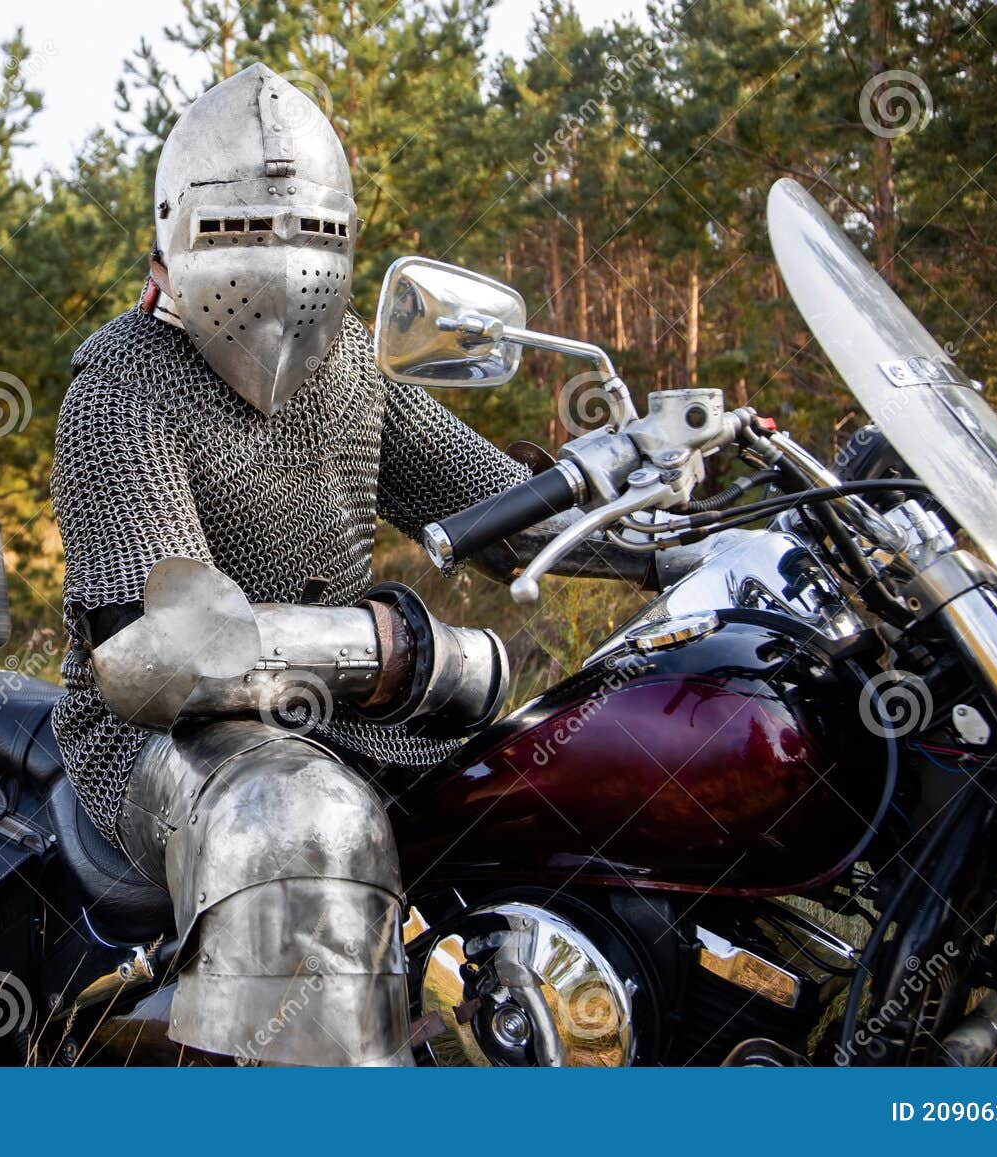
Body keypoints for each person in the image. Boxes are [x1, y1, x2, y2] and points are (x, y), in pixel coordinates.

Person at [50, 63, 659, 1066]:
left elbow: (505, 514)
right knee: (298, 816)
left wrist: (674, 533)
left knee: (569, 771)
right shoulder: (121, 386)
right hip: (159, 740)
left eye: (315, 233)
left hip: (339, 713)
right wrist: (406, 649)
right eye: (240, 230)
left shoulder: (350, 376)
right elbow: (157, 660)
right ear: (172, 236)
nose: (284, 264)